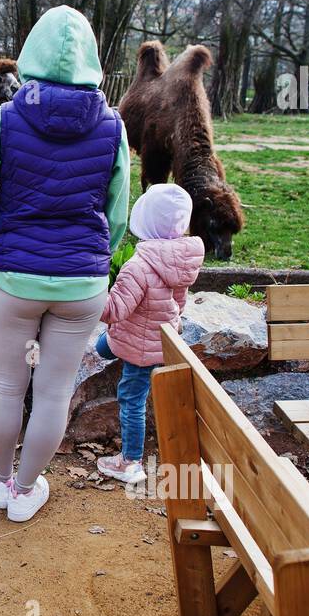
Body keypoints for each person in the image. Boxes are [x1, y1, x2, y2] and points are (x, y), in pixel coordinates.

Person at [0, 5, 130, 522]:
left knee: (8, 385)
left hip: (14, 276)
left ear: (31, 52)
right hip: (83, 282)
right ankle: (26, 490)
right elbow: (117, 212)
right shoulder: (113, 127)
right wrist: (100, 255)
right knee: (54, 390)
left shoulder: (2, 120)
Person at [94, 183, 204, 485]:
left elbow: (114, 311)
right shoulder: (179, 262)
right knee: (105, 345)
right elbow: (179, 301)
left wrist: (91, 292)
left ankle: (130, 462)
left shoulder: (138, 266)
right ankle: (103, 348)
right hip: (159, 337)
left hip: (141, 350)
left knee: (131, 398)